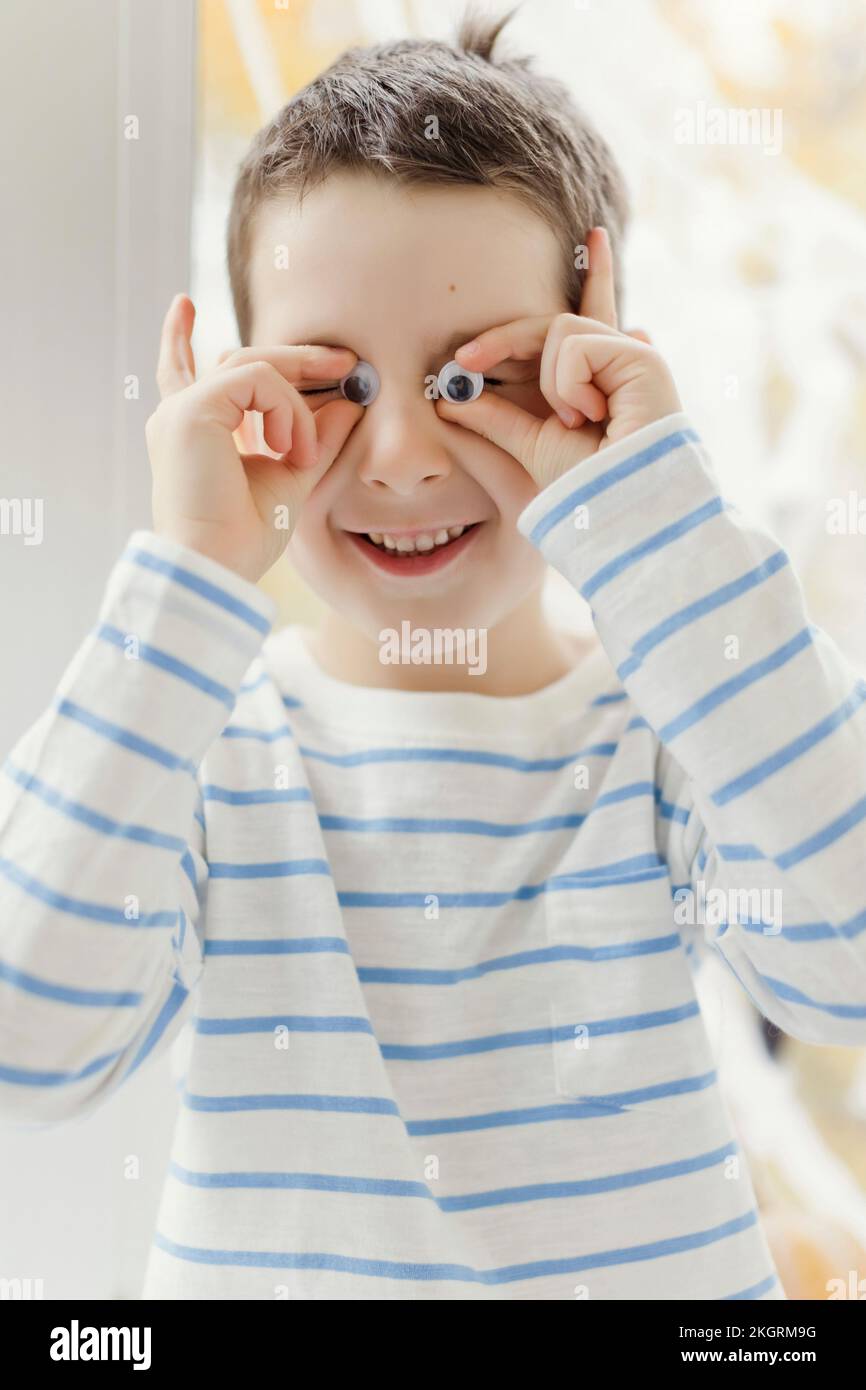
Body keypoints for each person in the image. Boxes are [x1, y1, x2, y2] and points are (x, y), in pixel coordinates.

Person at [2, 12, 864, 1300]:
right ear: (240, 395)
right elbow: (30, 1034)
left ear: (597, 377)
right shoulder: (203, 747)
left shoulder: (669, 730)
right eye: (335, 381)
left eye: (480, 378)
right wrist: (188, 573)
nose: (402, 456)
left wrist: (649, 517)